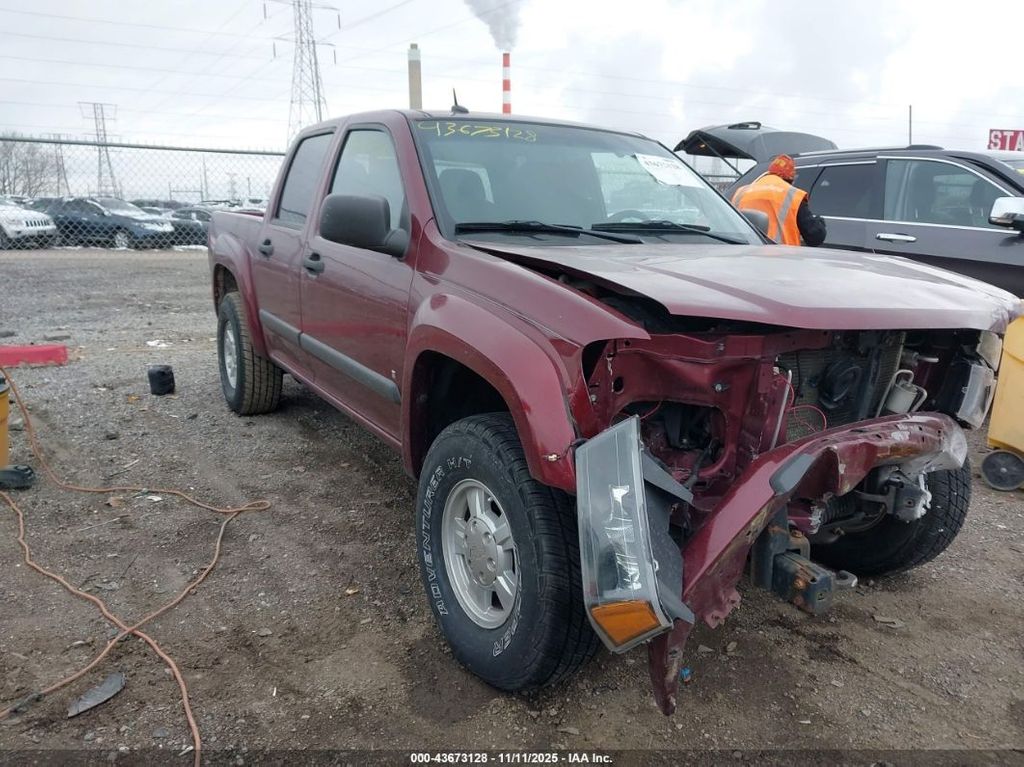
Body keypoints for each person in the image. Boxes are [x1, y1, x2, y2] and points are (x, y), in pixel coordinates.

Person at [731, 154, 827, 246]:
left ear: (769, 172)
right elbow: (815, 238)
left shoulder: (741, 192)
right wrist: (819, 223)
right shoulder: (792, 195)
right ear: (791, 179)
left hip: (745, 255)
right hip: (781, 258)